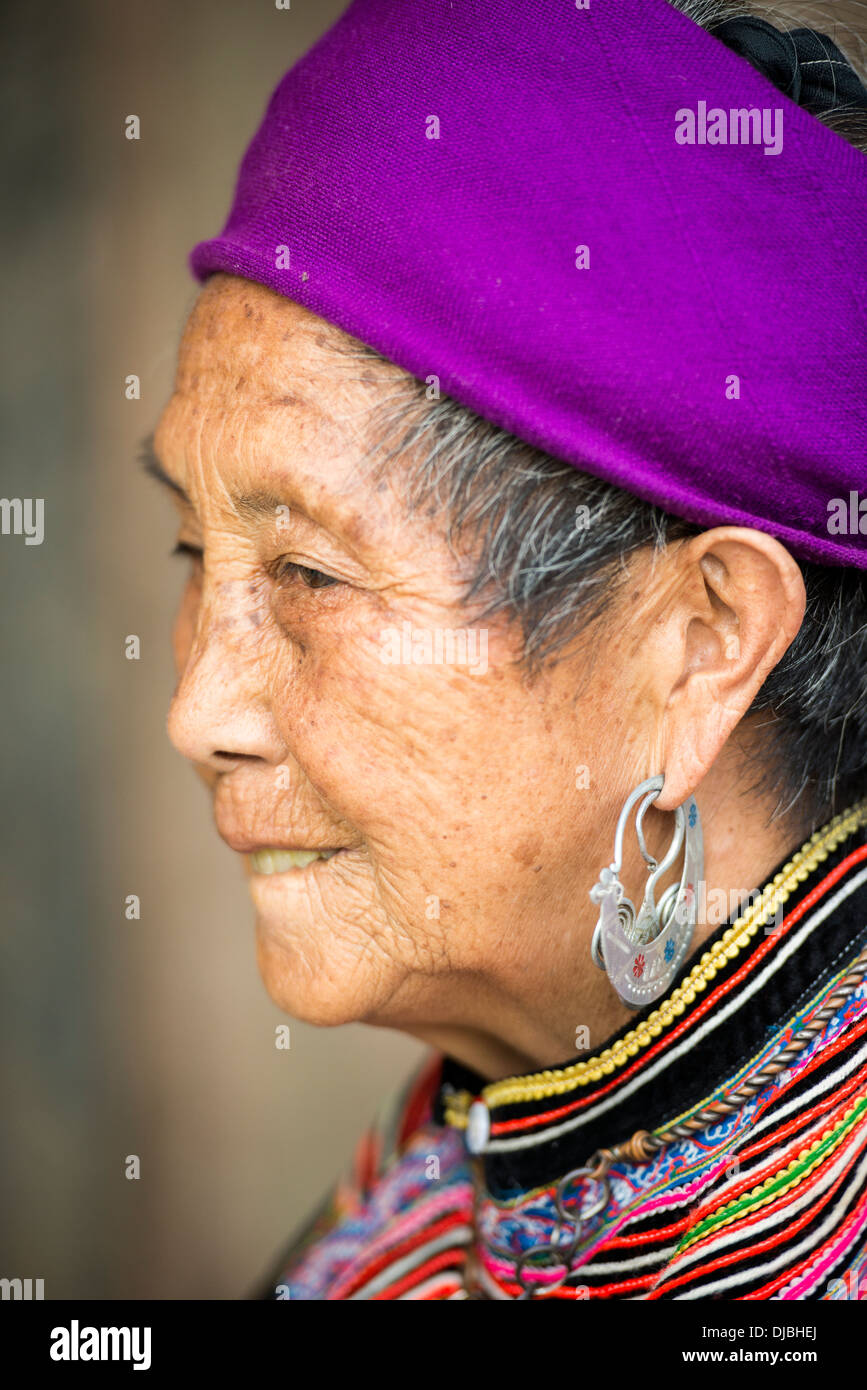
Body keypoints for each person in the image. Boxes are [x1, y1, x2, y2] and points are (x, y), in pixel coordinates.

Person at [148, 0, 867, 1299]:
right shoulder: (431, 1180)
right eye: (195, 557)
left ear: (699, 642)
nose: (198, 711)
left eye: (307, 570)